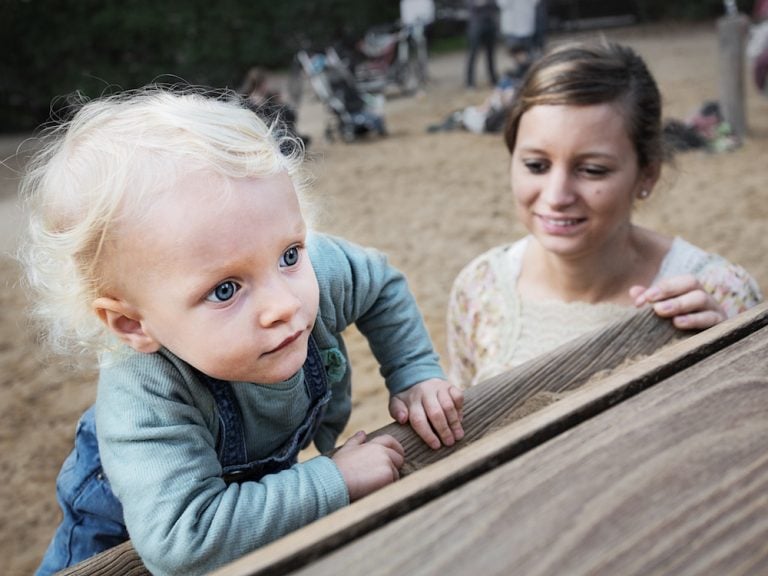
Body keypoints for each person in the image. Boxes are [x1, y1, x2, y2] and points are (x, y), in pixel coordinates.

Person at [23, 87, 464, 576]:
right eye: (226, 289)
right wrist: (333, 479)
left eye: (289, 254)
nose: (283, 304)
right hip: (123, 528)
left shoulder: (312, 274)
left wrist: (414, 372)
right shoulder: (145, 397)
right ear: (132, 322)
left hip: (252, 496)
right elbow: (184, 543)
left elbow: (379, 283)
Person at [447, 41, 763, 387]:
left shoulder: (719, 293)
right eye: (536, 165)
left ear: (647, 175)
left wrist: (728, 363)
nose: (557, 196)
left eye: (593, 170)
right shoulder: (480, 289)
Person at [465, 0, 499, 88]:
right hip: (476, 26)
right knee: (473, 55)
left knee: (490, 55)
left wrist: (483, 3)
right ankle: (470, 82)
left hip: (490, 25)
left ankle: (493, 79)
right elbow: (472, 5)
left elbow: (495, 5)